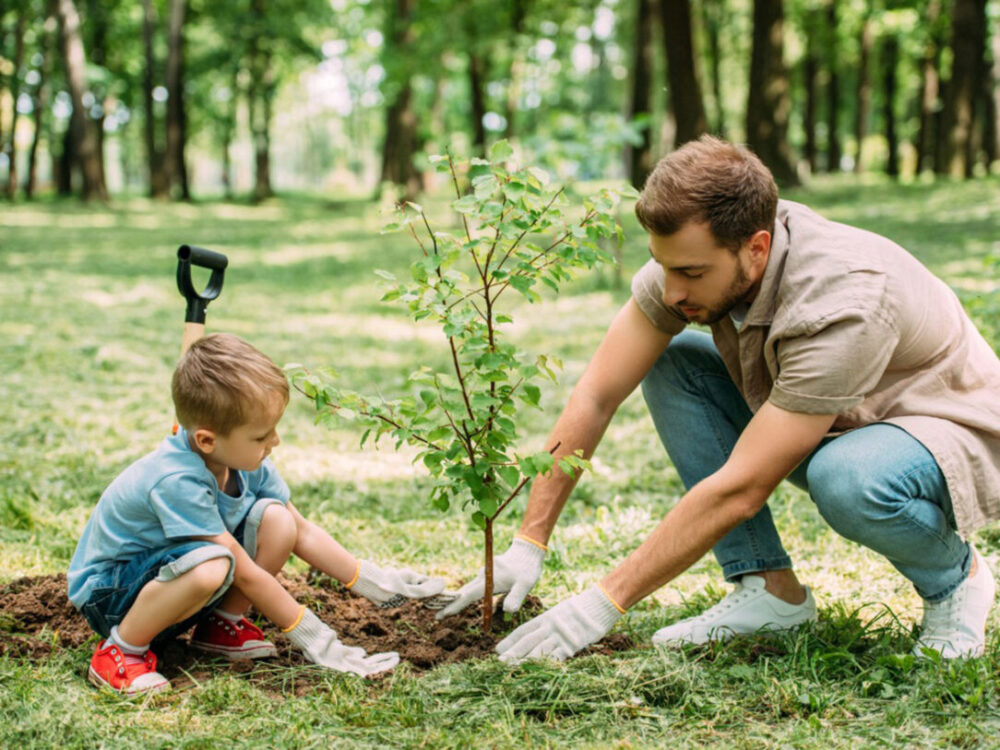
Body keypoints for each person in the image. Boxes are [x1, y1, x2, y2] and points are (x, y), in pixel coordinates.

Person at [438, 135, 999, 663]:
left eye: (690, 272)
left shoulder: (844, 300)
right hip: (835, 418)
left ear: (757, 247)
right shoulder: (695, 261)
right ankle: (770, 592)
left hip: (942, 432)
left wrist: (601, 603)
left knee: (846, 476)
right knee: (674, 359)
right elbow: (597, 394)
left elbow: (742, 489)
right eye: (663, 265)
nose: (672, 289)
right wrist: (528, 542)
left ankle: (956, 580)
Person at [68, 333, 445, 694]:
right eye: (262, 436)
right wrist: (317, 638)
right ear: (206, 440)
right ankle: (121, 652)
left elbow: (301, 530)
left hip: (167, 581)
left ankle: (220, 627)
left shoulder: (242, 459)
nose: (274, 442)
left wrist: (371, 581)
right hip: (112, 596)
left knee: (278, 521)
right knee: (215, 563)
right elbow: (244, 573)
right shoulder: (175, 480)